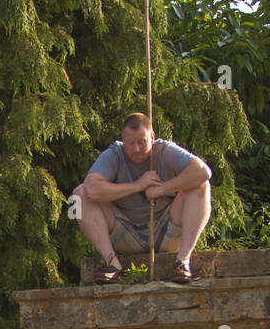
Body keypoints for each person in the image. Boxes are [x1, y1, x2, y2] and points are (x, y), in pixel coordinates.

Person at [73, 113, 212, 283]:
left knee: (201, 185)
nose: (136, 149)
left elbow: (203, 172)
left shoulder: (165, 150)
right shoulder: (114, 154)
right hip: (126, 233)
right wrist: (138, 185)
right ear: (123, 140)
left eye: (142, 142)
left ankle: (182, 262)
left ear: (152, 137)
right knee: (79, 194)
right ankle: (113, 264)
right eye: (130, 144)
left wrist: (161, 189)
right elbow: (91, 189)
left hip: (166, 229)